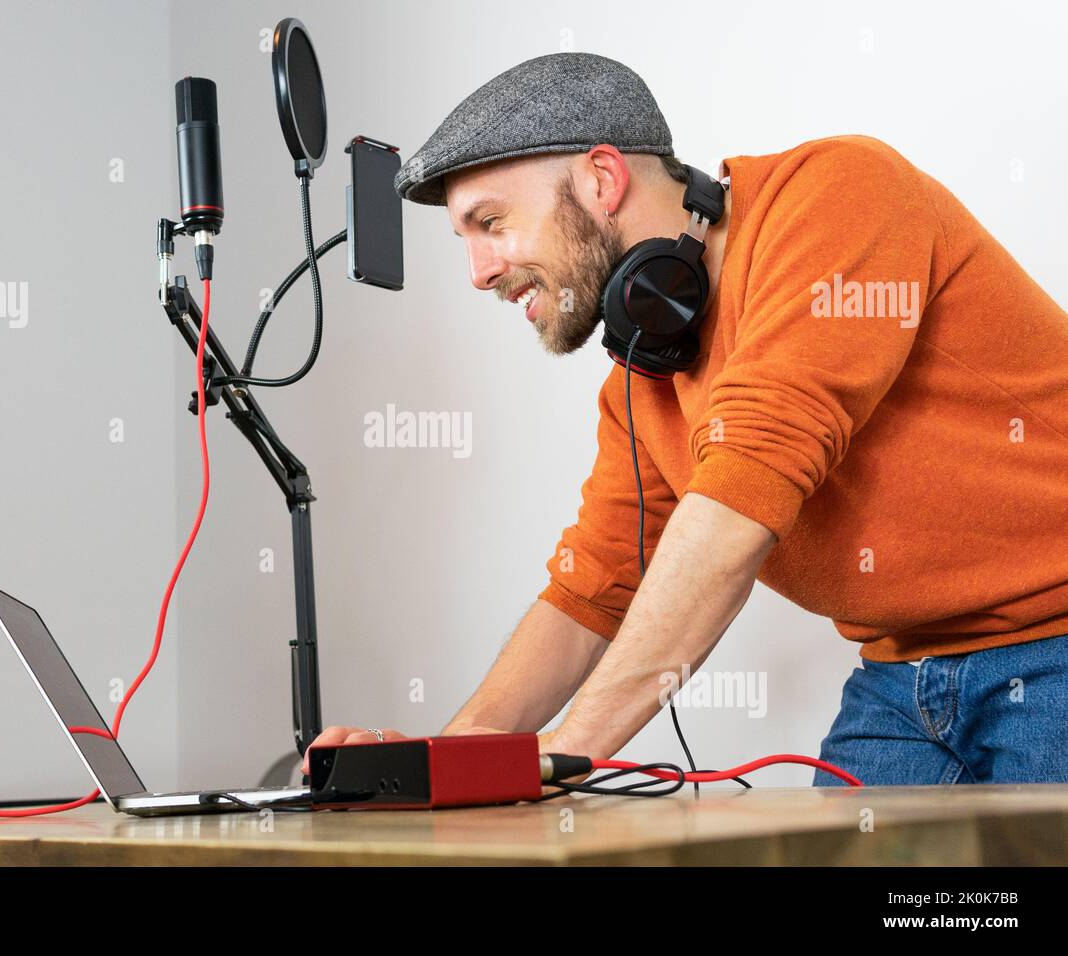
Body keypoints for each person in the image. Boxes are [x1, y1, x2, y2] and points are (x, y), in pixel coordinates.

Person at [306, 52, 1068, 786]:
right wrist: (452, 758)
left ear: (603, 178)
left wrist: (564, 755)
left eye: (492, 222)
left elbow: (747, 486)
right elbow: (595, 587)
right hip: (900, 679)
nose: (479, 272)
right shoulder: (647, 376)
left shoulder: (841, 194)